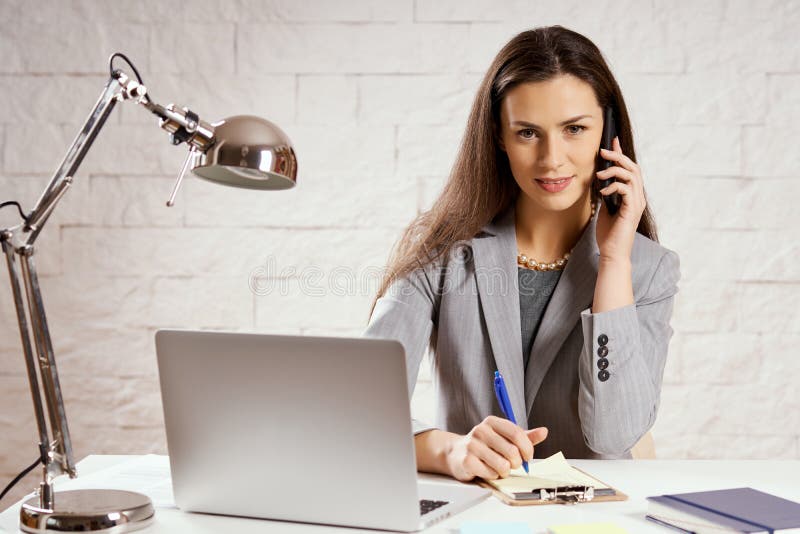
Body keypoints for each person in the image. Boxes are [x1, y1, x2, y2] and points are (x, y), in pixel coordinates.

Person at [362, 25, 680, 483]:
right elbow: (362, 408)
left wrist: (613, 262)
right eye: (528, 133)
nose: (552, 159)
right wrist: (451, 450)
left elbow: (615, 437)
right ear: (499, 136)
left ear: (608, 134)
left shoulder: (648, 269)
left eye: (574, 129)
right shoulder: (442, 253)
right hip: (474, 514)